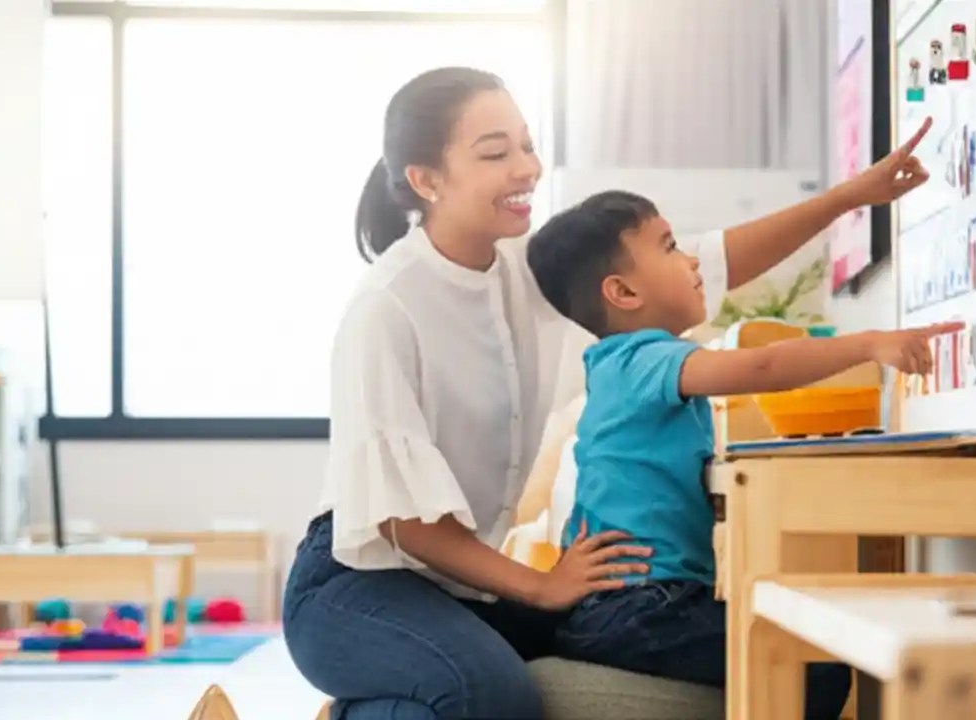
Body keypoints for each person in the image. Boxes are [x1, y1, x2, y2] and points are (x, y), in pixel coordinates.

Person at [281, 65, 932, 720]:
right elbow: (404, 521)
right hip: (353, 584)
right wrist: (539, 586)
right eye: (495, 153)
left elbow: (711, 261)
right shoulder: (385, 309)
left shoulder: (526, 273)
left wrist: (853, 196)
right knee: (493, 694)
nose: (526, 169)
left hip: (453, 585)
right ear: (425, 180)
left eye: (527, 146)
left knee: (583, 642)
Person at [525, 190, 961, 715]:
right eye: (669, 247)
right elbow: (762, 369)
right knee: (814, 667)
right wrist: (868, 345)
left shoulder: (619, 366)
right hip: (638, 609)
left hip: (629, 605)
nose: (690, 261)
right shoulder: (643, 357)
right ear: (621, 291)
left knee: (802, 649)